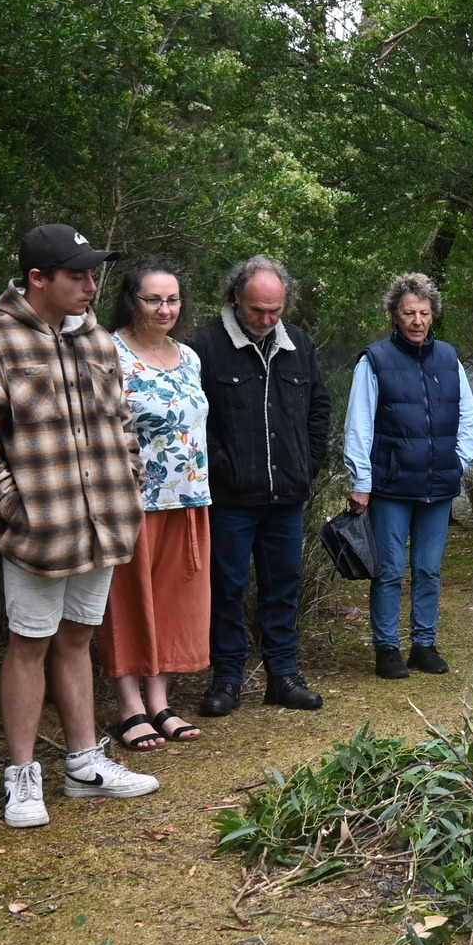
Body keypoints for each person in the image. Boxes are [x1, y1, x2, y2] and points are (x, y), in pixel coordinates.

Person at [0, 223, 159, 828]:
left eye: (94, 273)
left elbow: (121, 424)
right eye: (77, 275)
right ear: (37, 279)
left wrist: (127, 486)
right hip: (40, 532)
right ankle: (22, 778)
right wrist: (21, 510)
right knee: (28, 644)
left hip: (104, 526)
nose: (92, 286)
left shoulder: (96, 340)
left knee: (77, 639)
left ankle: (85, 766)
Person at [187, 256, 330, 716]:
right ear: (235, 298)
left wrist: (306, 465)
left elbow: (319, 408)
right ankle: (227, 680)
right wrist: (221, 468)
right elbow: (194, 420)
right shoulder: (204, 346)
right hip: (230, 498)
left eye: (275, 310)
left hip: (286, 495)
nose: (266, 320)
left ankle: (282, 676)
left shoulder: (300, 345)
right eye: (256, 311)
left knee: (283, 586)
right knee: (226, 588)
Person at [96, 257, 210, 750]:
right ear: (131, 300)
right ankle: (129, 708)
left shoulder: (189, 355)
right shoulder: (108, 351)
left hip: (187, 497)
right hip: (131, 501)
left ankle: (160, 702)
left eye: (172, 299)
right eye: (153, 299)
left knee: (170, 602)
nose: (165, 309)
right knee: (126, 604)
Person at [344, 272, 473, 679]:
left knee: (428, 569)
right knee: (388, 570)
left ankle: (424, 644)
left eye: (424, 312)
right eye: (409, 313)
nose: (417, 320)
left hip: (438, 484)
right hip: (390, 485)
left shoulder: (449, 358)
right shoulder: (375, 361)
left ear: (433, 314)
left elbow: (468, 418)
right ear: (395, 315)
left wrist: (459, 463)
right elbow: (359, 424)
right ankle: (387, 648)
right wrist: (362, 482)